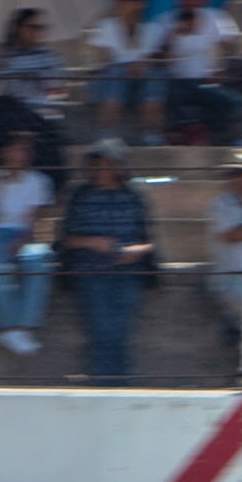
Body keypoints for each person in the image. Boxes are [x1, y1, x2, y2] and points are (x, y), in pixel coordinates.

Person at [59, 141, 155, 382]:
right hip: (90, 271)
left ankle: (118, 386)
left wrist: (137, 251)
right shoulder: (80, 196)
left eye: (106, 167)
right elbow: (65, 240)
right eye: (96, 167)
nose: (100, 172)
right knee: (102, 330)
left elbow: (150, 241)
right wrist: (92, 242)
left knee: (120, 332)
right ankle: (104, 386)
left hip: (128, 271)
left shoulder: (134, 196)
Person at [0, 131, 55, 355]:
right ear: (4, 152)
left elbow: (36, 220)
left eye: (26, 150)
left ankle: (24, 326)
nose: (23, 154)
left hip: (24, 235)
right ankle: (8, 326)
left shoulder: (39, 181)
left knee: (40, 261)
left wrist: (21, 240)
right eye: (18, 149)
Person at [153, 0, 242, 145]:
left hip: (207, 81)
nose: (186, 3)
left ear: (202, 1)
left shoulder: (216, 18)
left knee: (236, 104)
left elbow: (233, 46)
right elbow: (156, 58)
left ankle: (220, 140)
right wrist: (170, 39)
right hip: (176, 82)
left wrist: (222, 68)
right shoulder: (166, 21)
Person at [89, 0, 166, 142]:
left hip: (142, 81)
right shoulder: (106, 27)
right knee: (115, 74)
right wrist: (128, 66)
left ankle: (150, 132)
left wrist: (143, 63)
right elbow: (105, 59)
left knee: (155, 75)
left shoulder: (154, 29)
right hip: (113, 80)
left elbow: (159, 58)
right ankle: (107, 132)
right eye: (126, 2)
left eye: (133, 2)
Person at [208, 158, 242, 344]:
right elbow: (230, 235)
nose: (241, 179)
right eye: (236, 175)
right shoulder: (221, 204)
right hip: (231, 287)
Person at [0, 7, 67, 112]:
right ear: (18, 28)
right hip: (11, 110)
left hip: (38, 109)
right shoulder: (6, 55)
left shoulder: (49, 55)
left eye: (40, 28)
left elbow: (58, 87)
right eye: (32, 27)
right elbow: (6, 86)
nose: (36, 32)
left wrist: (38, 78)